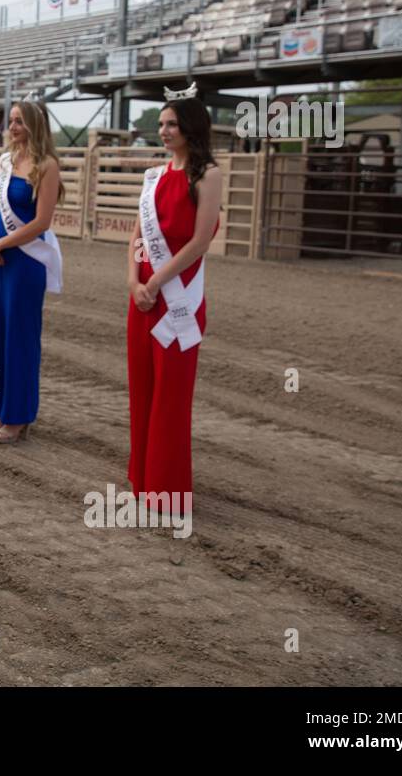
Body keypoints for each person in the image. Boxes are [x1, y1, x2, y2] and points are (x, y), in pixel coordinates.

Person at [125, 86, 221, 517]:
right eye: (161, 124)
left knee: (172, 394)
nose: (163, 131)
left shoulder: (208, 176)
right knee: (142, 388)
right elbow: (136, 237)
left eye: (172, 124)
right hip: (142, 297)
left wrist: (156, 281)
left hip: (177, 299)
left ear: (190, 128)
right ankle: (142, 480)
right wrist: (133, 282)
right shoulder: (153, 178)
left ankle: (167, 488)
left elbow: (201, 241)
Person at [0, 101, 63, 444]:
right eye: (11, 120)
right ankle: (1, 410)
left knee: (21, 340)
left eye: (20, 121)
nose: (13, 126)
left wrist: (0, 245)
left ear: (34, 125)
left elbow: (41, 222)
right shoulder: (5, 161)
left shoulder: (47, 165)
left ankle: (19, 416)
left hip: (26, 262)